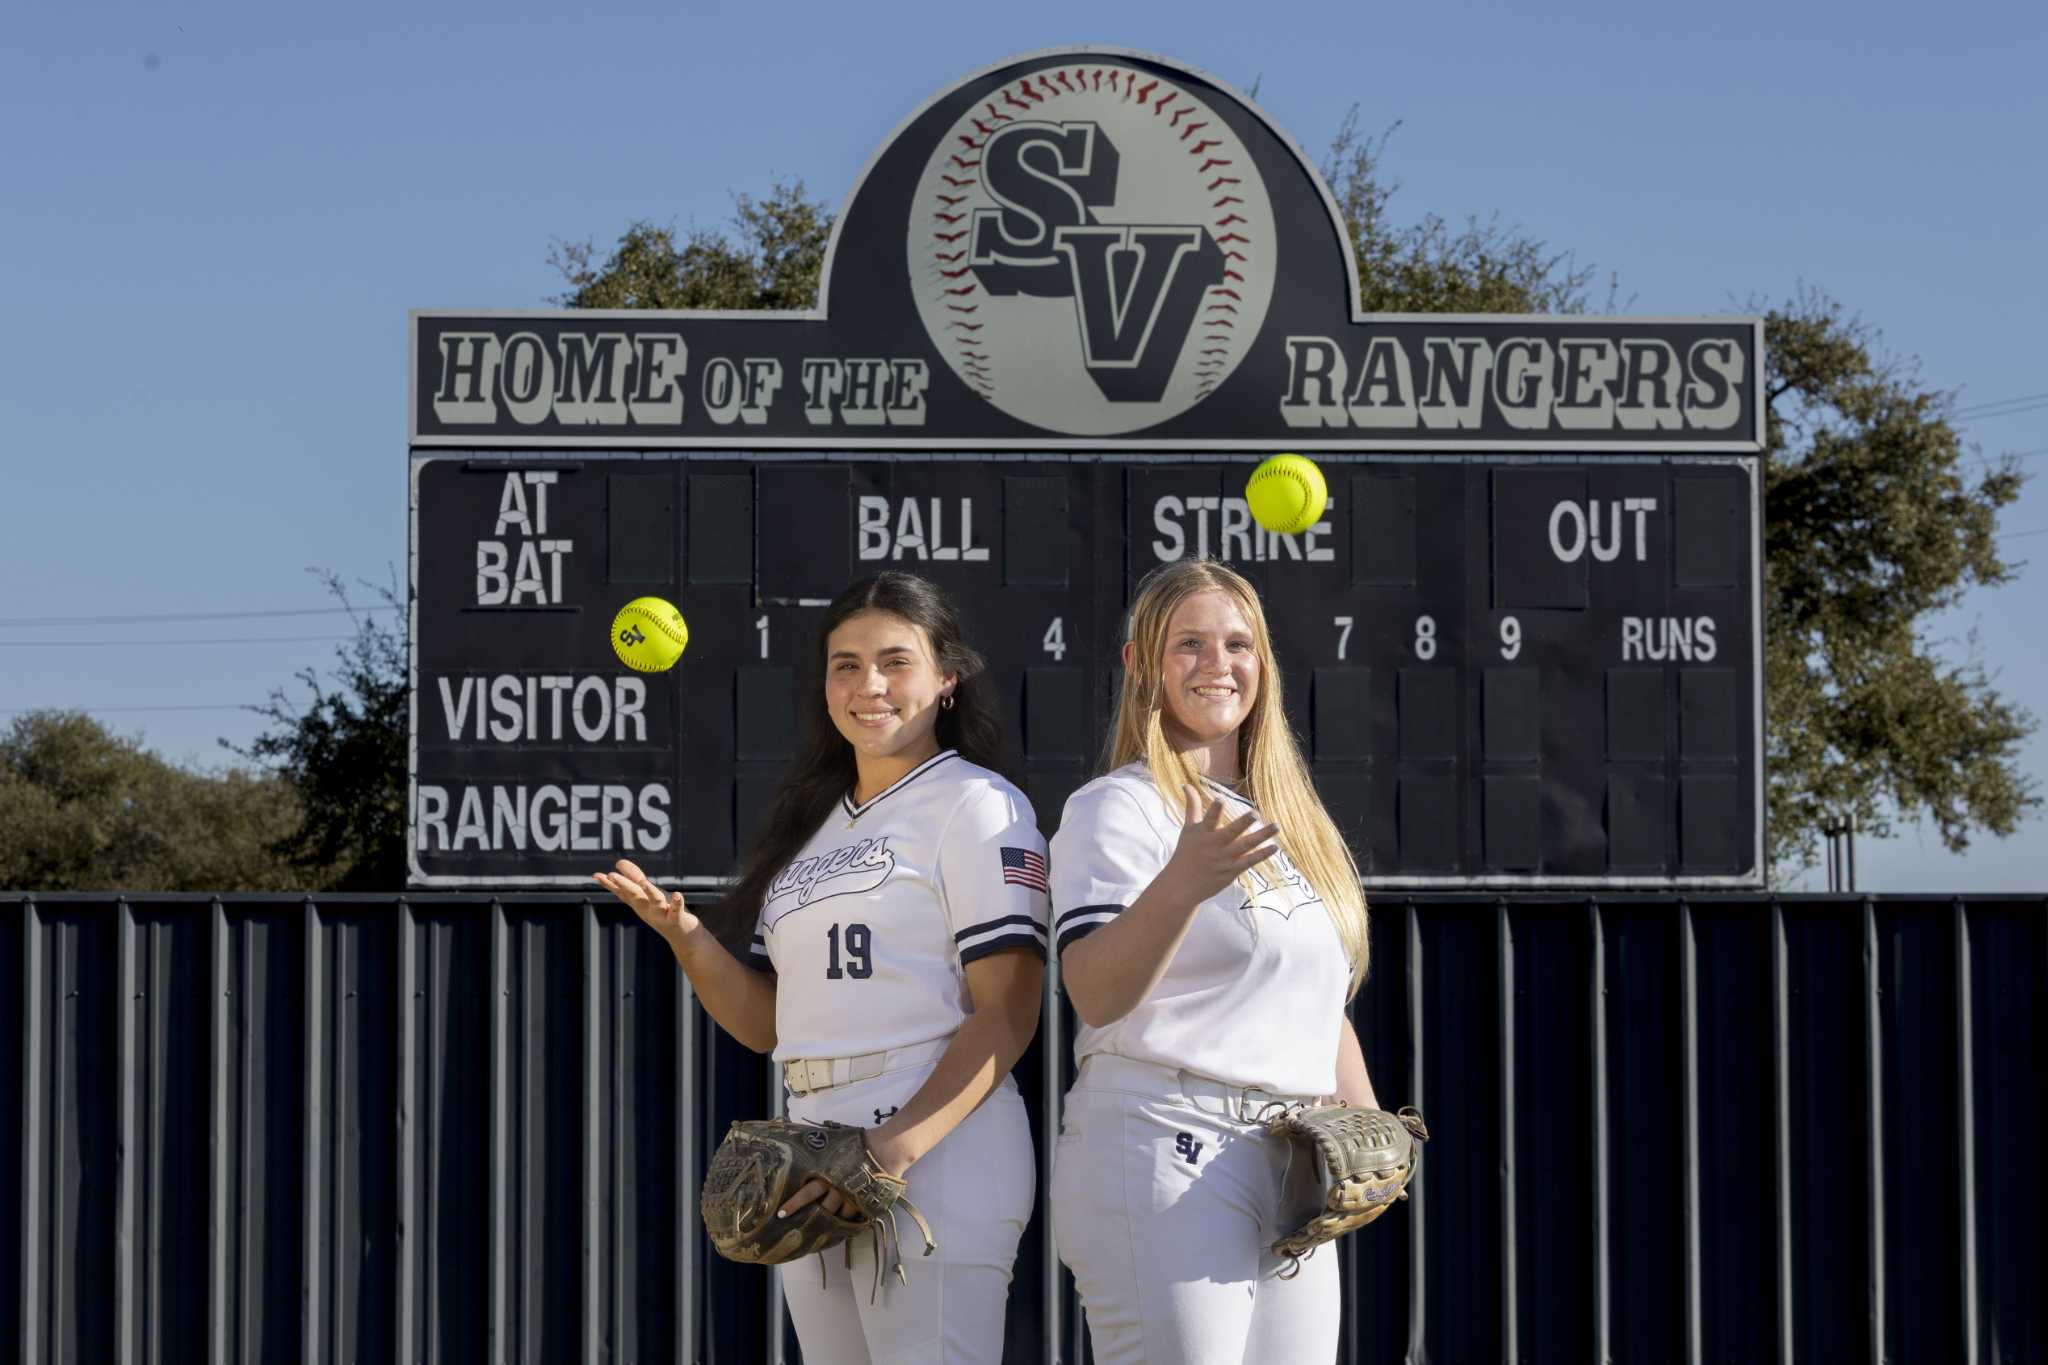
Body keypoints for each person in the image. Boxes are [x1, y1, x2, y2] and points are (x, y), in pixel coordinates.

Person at [595, 571, 1047, 1365]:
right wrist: (690, 939)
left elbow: (1007, 1013)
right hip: (814, 1145)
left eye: (894, 660)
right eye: (846, 664)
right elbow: (771, 1023)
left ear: (946, 679)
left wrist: (886, 1154)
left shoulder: (978, 804)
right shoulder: (810, 829)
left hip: (933, 1144)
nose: (868, 684)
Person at [1048, 558, 1382, 1365]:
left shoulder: (1288, 825)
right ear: (1141, 664)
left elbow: (1316, 999)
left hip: (1289, 1158)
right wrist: (1181, 883)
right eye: (1188, 643)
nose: (1217, 663)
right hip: (1162, 1140)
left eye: (1238, 643)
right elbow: (1092, 989)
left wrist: (1371, 1124)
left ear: (1262, 665)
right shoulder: (1118, 806)